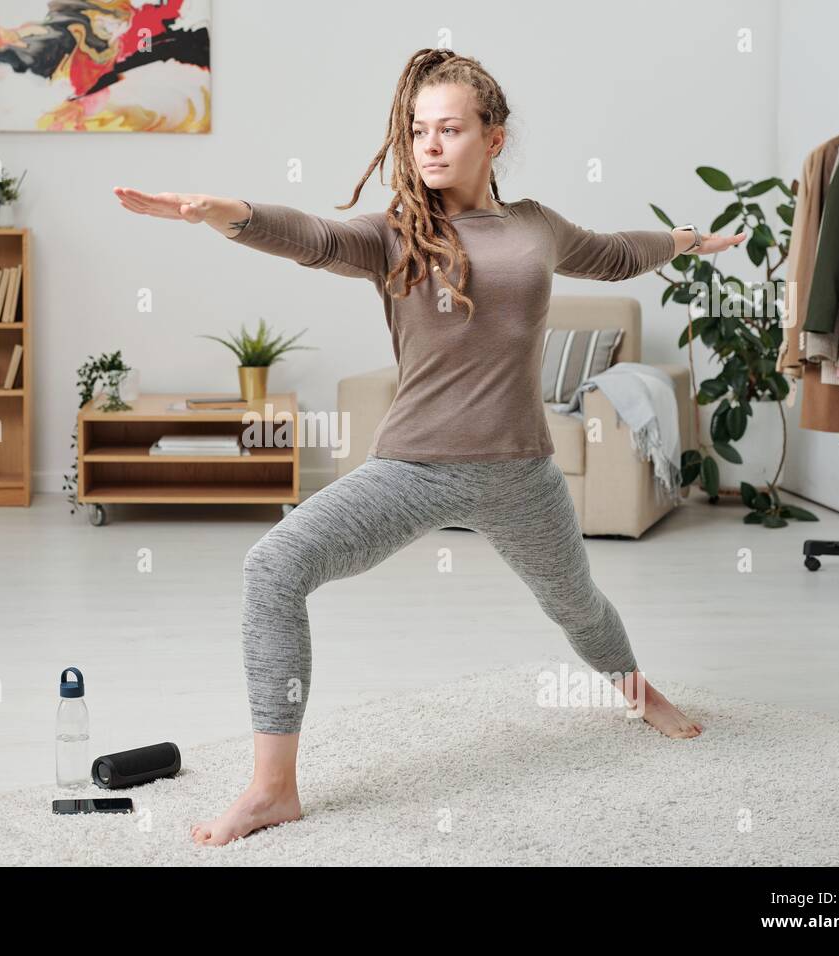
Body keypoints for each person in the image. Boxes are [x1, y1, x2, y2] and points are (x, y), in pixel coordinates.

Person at [114, 48, 746, 847]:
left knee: (577, 604)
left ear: (495, 137)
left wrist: (688, 239)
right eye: (418, 131)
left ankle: (638, 691)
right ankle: (273, 789)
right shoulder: (397, 234)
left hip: (521, 470)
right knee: (273, 567)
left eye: (451, 128)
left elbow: (616, 253)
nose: (432, 145)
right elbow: (312, 234)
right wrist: (227, 212)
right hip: (411, 468)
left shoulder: (537, 227)